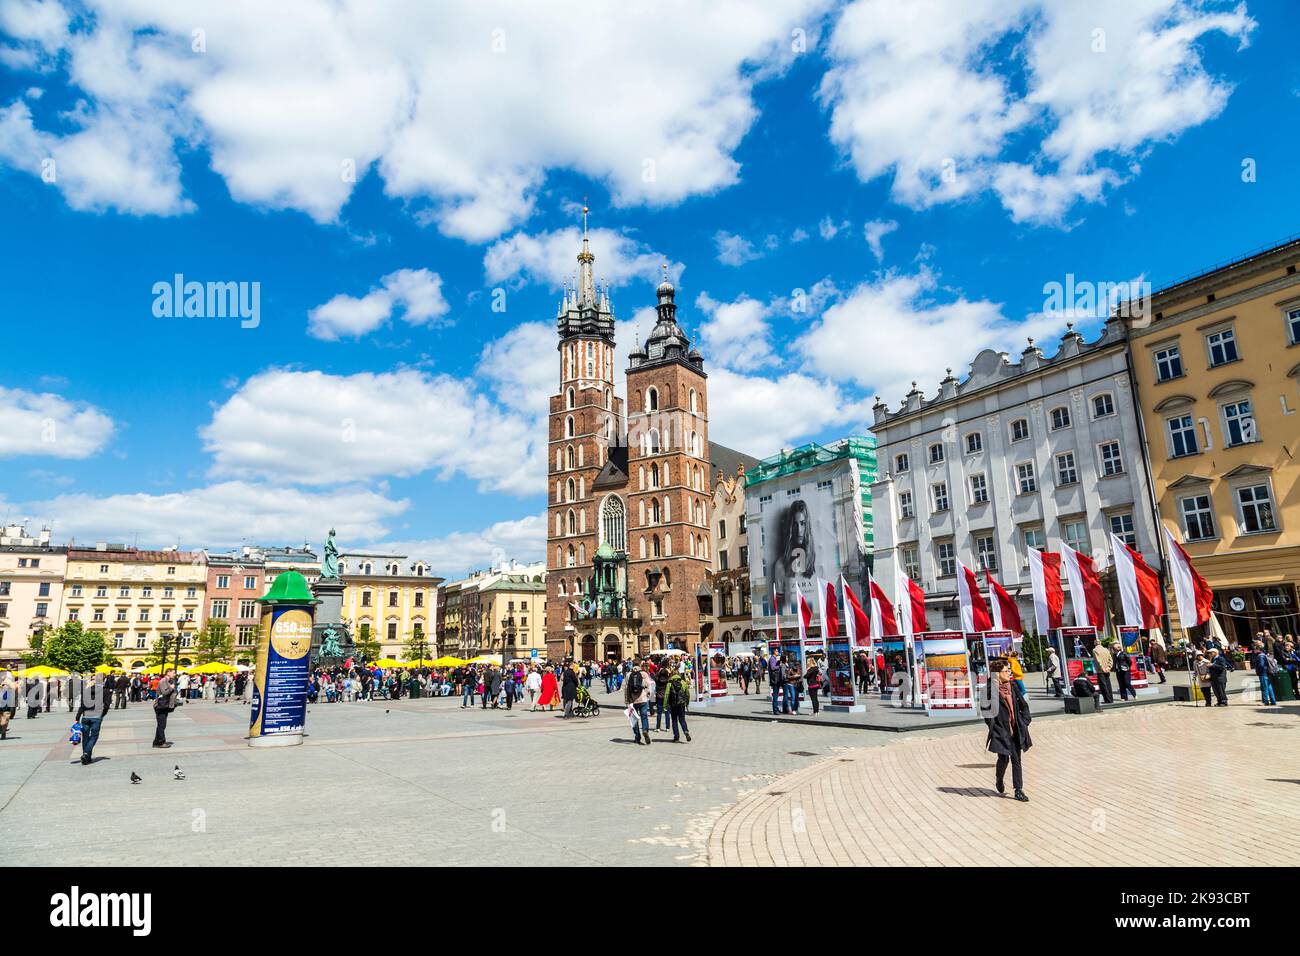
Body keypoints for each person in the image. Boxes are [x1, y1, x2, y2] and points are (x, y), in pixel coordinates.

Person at [984, 659, 1031, 802]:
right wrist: (994, 726)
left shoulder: (1013, 686)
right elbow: (986, 712)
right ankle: (999, 779)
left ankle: (1018, 790)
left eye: (1009, 670)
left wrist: (1025, 720)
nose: (1009, 673)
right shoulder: (987, 690)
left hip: (1016, 728)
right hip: (1001, 730)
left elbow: (1023, 705)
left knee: (1016, 759)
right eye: (1006, 671)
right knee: (1003, 758)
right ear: (997, 674)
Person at [74, 673, 111, 765]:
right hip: (97, 716)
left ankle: (86, 757)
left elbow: (82, 705)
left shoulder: (86, 690)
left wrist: (77, 717)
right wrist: (102, 714)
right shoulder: (105, 691)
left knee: (85, 737)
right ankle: (86, 753)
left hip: (86, 716)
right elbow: (107, 705)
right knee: (94, 736)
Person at [624, 657, 653, 745]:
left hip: (633, 700)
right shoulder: (644, 673)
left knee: (634, 719)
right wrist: (648, 695)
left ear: (632, 664)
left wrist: (627, 701)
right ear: (640, 664)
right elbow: (649, 686)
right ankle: (645, 730)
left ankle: (637, 737)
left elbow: (626, 689)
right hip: (643, 699)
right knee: (644, 716)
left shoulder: (628, 674)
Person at [665, 669, 691, 742]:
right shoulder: (683, 682)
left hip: (673, 705)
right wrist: (687, 703)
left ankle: (676, 737)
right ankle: (686, 731)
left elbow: (666, 695)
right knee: (682, 719)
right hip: (681, 704)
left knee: (674, 721)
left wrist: (665, 705)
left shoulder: (669, 683)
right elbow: (687, 694)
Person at [153, 668, 177, 748]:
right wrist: (172, 687)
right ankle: (160, 742)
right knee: (162, 725)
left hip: (164, 705)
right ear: (168, 673)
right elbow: (164, 692)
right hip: (160, 706)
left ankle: (156, 742)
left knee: (161, 725)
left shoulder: (169, 681)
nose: (175, 674)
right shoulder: (163, 681)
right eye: (173, 673)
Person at [1253, 640, 1278, 706]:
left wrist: (1259, 671)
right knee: (1269, 687)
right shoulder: (1265, 655)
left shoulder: (1260, 656)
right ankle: (1273, 701)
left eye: (1255, 649)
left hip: (1263, 674)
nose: (1254, 651)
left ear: (1258, 649)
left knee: (1264, 688)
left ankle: (1265, 701)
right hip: (1268, 673)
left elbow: (1261, 665)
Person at [653, 663, 672, 731]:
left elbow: (654, 677)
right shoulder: (668, 680)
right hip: (667, 697)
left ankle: (658, 727)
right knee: (667, 713)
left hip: (659, 697)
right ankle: (667, 727)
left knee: (659, 713)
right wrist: (669, 672)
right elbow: (672, 676)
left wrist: (659, 671)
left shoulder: (658, 680)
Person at [0, 670, 16, 740]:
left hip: (6, 704)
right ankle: (2, 731)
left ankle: (3, 732)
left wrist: (7, 683)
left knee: (5, 720)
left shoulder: (8, 682)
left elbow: (14, 688)